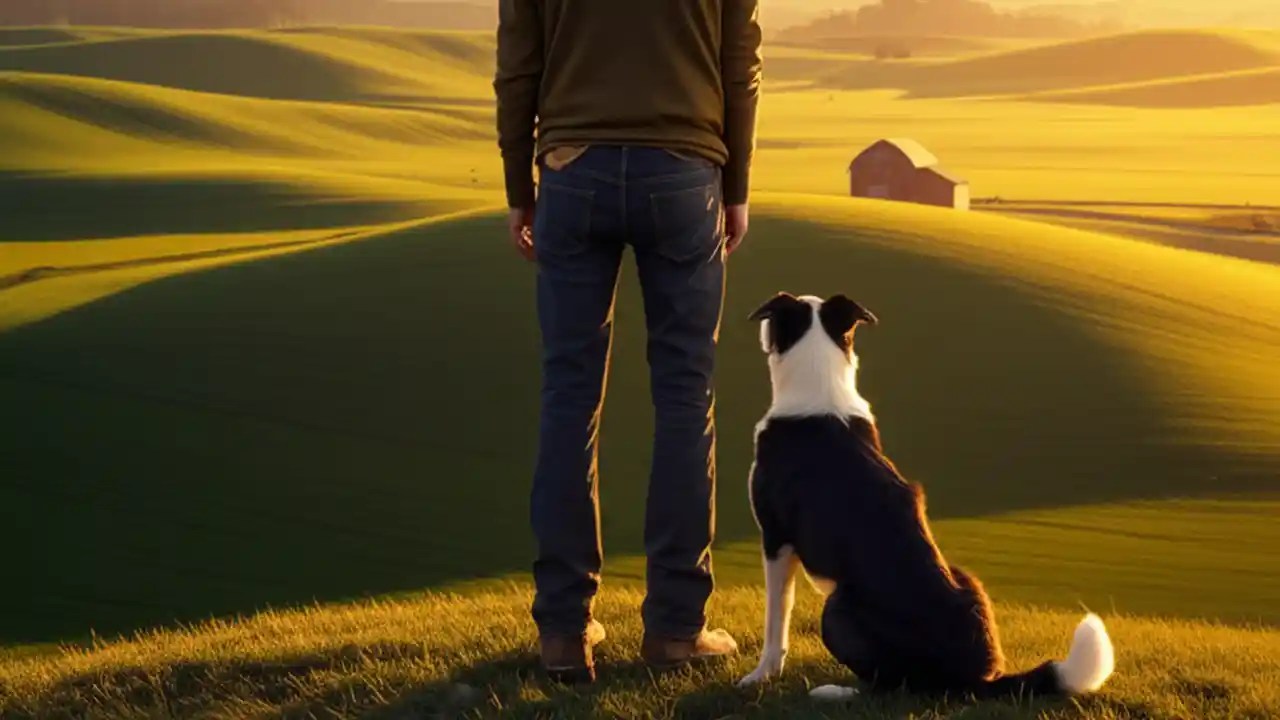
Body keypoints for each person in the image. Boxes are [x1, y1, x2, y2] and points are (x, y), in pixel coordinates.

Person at [494, 0, 763, 684]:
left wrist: (517, 186)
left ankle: (562, 632)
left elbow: (516, 65)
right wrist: (737, 186)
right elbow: (741, 61)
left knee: (569, 399)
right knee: (683, 399)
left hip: (571, 168)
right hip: (685, 171)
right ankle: (676, 629)